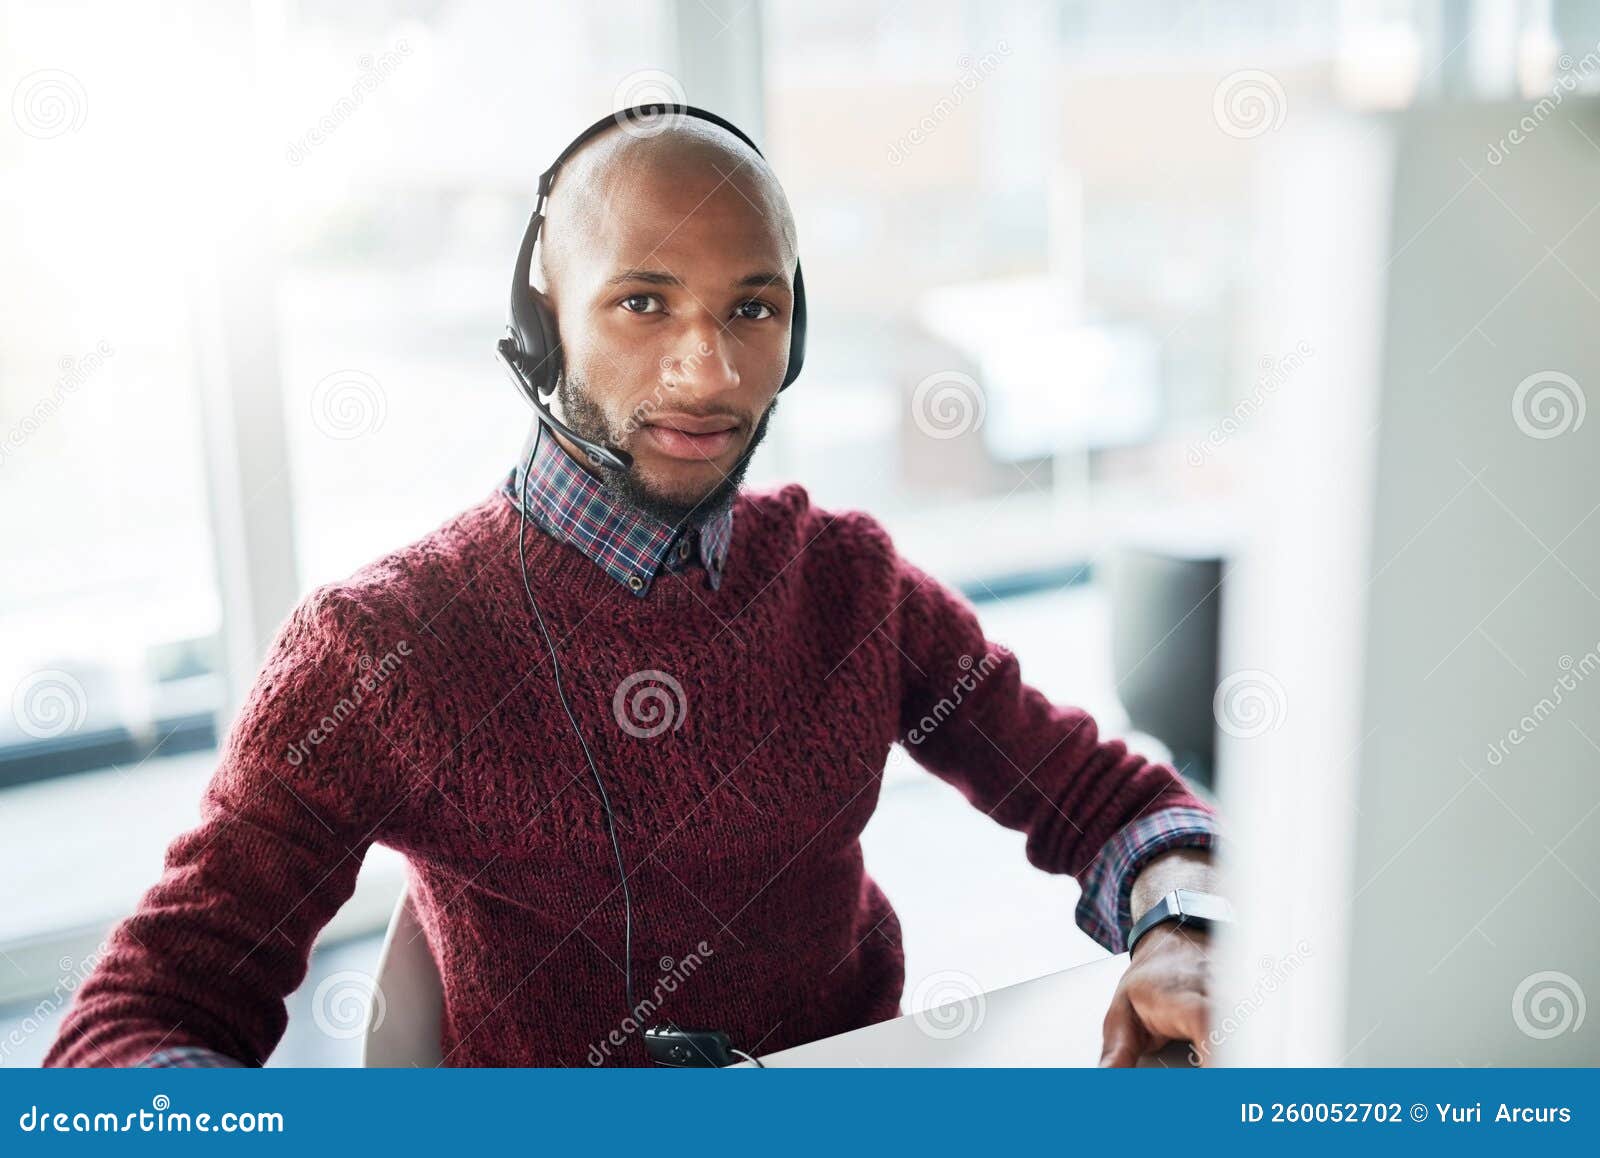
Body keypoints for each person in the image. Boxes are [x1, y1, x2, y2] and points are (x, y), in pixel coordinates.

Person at [45, 110, 1220, 1069]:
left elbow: (1114, 802)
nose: (707, 373)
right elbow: (134, 1023)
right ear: (542, 325)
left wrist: (1180, 928)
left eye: (751, 308)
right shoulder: (378, 648)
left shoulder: (849, 585)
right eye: (643, 301)